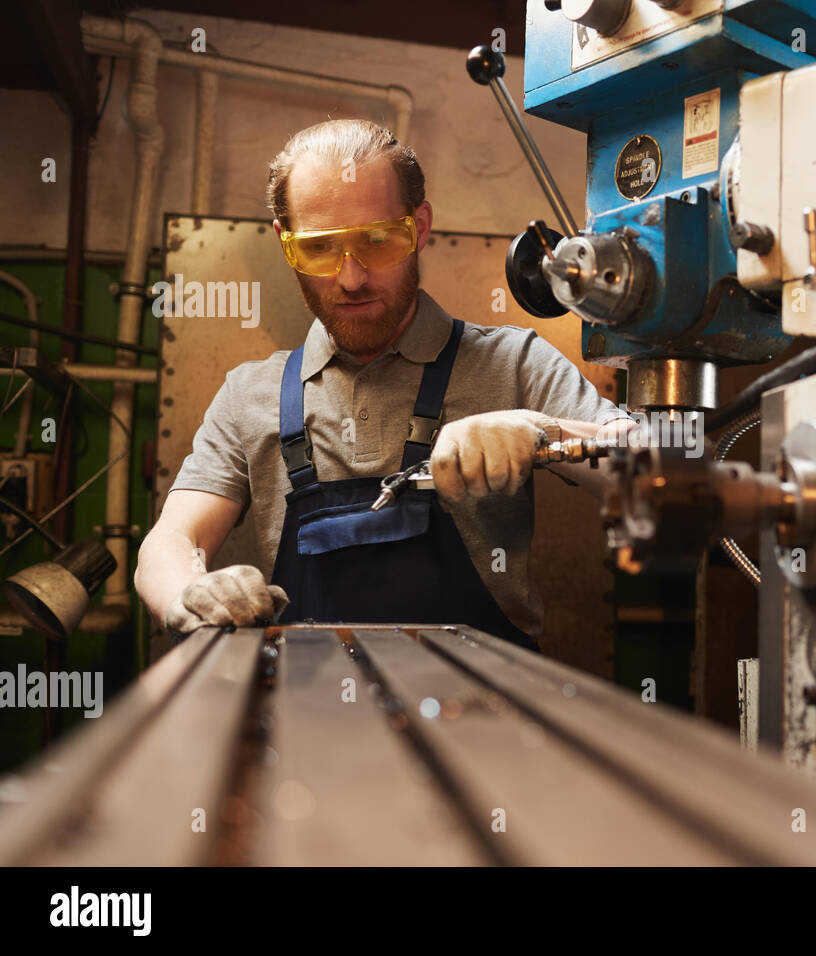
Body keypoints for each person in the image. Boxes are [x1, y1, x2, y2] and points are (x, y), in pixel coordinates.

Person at [134, 119, 634, 651]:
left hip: (480, 720)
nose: (351, 279)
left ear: (419, 227)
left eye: (377, 240)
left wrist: (549, 432)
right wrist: (188, 592)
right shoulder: (247, 397)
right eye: (320, 248)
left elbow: (666, 472)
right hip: (306, 715)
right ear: (285, 244)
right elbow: (167, 542)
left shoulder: (514, 364)